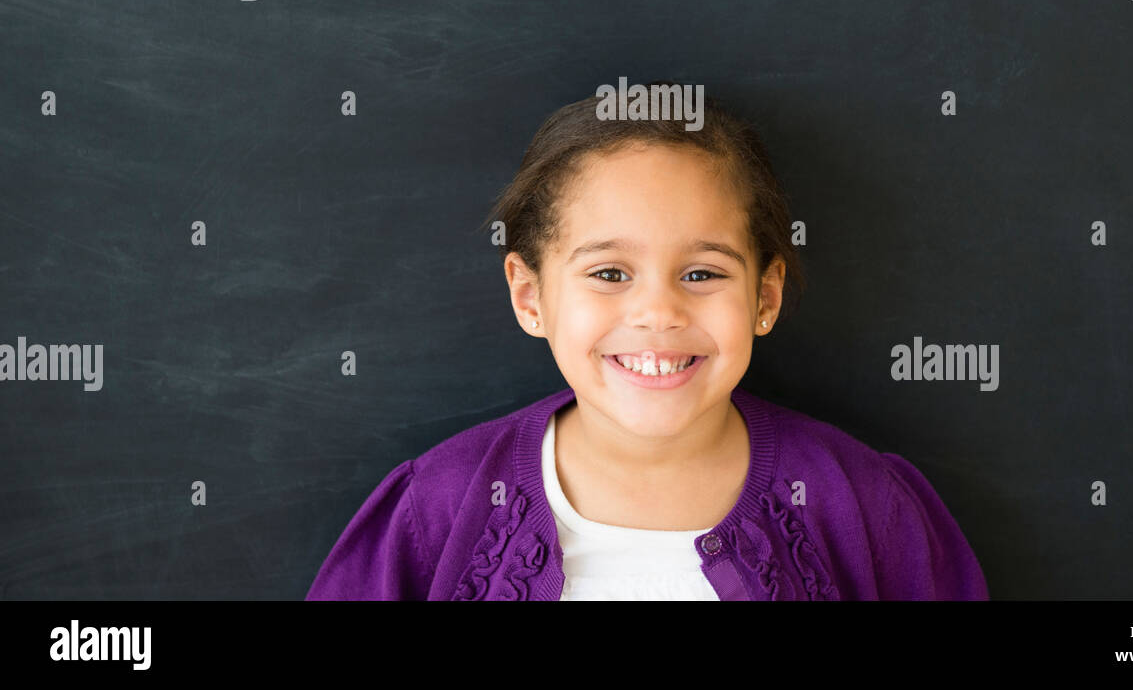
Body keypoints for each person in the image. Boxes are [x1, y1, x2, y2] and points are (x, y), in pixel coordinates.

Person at [306, 86, 988, 600]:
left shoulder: (865, 505)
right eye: (608, 274)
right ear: (530, 295)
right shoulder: (438, 508)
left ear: (766, 296)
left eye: (702, 273)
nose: (658, 312)